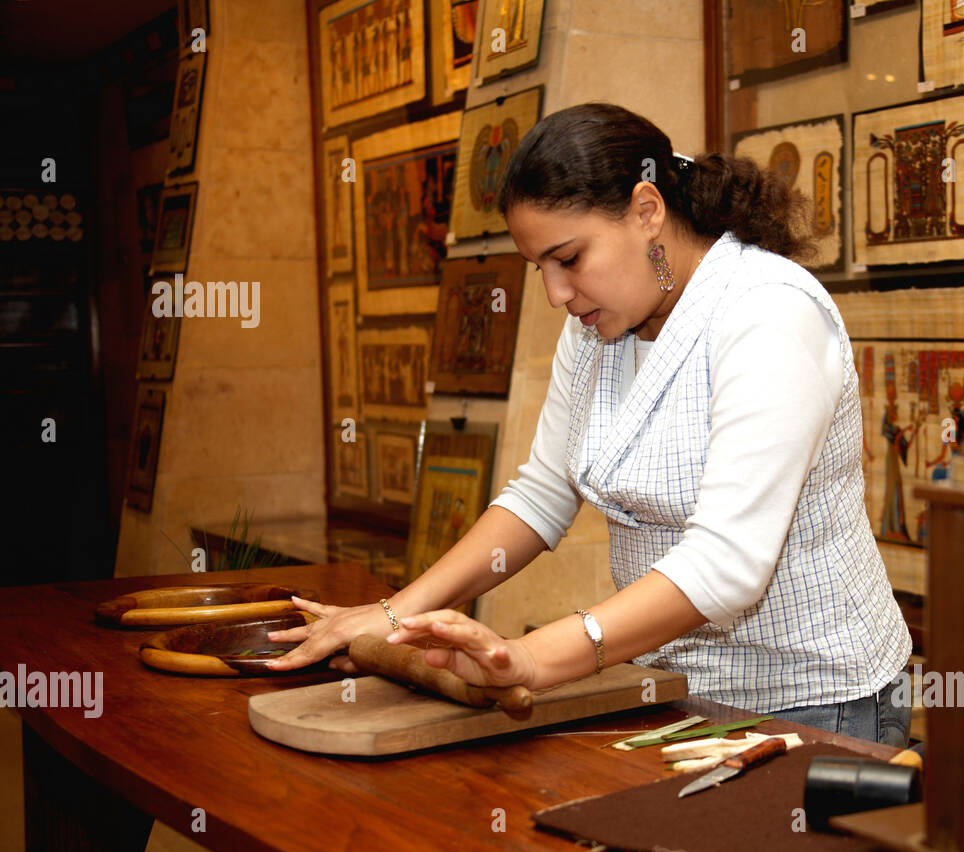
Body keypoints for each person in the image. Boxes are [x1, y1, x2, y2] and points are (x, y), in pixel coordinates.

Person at [268, 103, 913, 746]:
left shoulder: (770, 313)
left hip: (811, 702)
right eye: (539, 269)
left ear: (646, 210)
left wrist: (534, 659)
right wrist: (394, 615)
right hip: (669, 686)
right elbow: (542, 495)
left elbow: (727, 565)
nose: (555, 294)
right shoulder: (601, 323)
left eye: (569, 259)